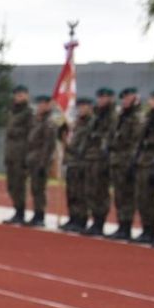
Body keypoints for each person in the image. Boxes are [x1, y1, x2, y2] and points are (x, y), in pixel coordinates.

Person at [128, 89, 154, 245]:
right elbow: (139, 141)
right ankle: (148, 230)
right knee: (144, 197)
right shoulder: (148, 118)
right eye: (151, 98)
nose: (152, 101)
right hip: (145, 162)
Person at [106, 87, 144, 240]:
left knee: (128, 196)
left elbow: (137, 142)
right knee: (120, 195)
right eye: (123, 98)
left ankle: (127, 226)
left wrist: (132, 162)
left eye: (128, 97)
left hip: (129, 161)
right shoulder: (121, 117)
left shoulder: (137, 118)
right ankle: (122, 225)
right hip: (118, 161)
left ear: (136, 97)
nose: (125, 100)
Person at [81, 87, 117, 236]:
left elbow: (111, 139)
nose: (101, 100)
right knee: (91, 191)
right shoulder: (96, 117)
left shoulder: (113, 117)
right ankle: (95, 221)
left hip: (103, 159)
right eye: (100, 97)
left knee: (100, 192)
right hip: (91, 157)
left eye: (105, 97)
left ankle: (100, 222)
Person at [22, 94, 57, 226]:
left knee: (39, 189)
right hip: (33, 159)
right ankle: (36, 214)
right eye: (39, 104)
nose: (40, 106)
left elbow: (49, 145)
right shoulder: (37, 120)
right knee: (35, 188)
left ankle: (40, 215)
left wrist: (44, 163)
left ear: (49, 105)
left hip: (41, 161)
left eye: (43, 104)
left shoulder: (49, 122)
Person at [60, 96, 94, 232]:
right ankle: (73, 217)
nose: (81, 109)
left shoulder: (91, 123)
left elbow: (83, 145)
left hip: (83, 162)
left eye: (84, 106)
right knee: (72, 192)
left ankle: (81, 220)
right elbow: (70, 143)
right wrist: (62, 135)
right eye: (79, 107)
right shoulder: (76, 123)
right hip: (72, 161)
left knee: (81, 193)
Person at [1, 84, 32, 225]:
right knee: (12, 185)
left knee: (19, 185)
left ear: (27, 95)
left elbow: (31, 135)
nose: (19, 97)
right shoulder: (13, 112)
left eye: (21, 94)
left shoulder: (29, 113)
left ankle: (21, 213)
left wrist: (27, 156)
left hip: (22, 154)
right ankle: (17, 211)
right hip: (11, 154)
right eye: (17, 94)